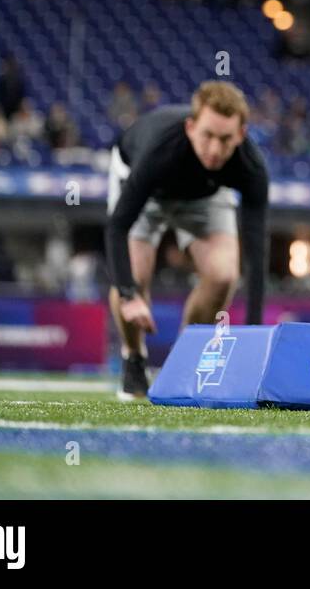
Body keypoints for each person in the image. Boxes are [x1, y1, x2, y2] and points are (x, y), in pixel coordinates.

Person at [104, 80, 269, 399]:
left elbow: (257, 253)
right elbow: (116, 227)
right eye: (207, 136)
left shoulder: (251, 167)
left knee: (223, 275)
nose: (215, 150)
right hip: (144, 188)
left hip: (205, 194)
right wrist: (127, 295)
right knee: (134, 277)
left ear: (242, 135)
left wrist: (255, 338)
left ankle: (184, 364)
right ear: (190, 127)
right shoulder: (158, 150)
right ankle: (134, 359)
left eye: (226, 139)